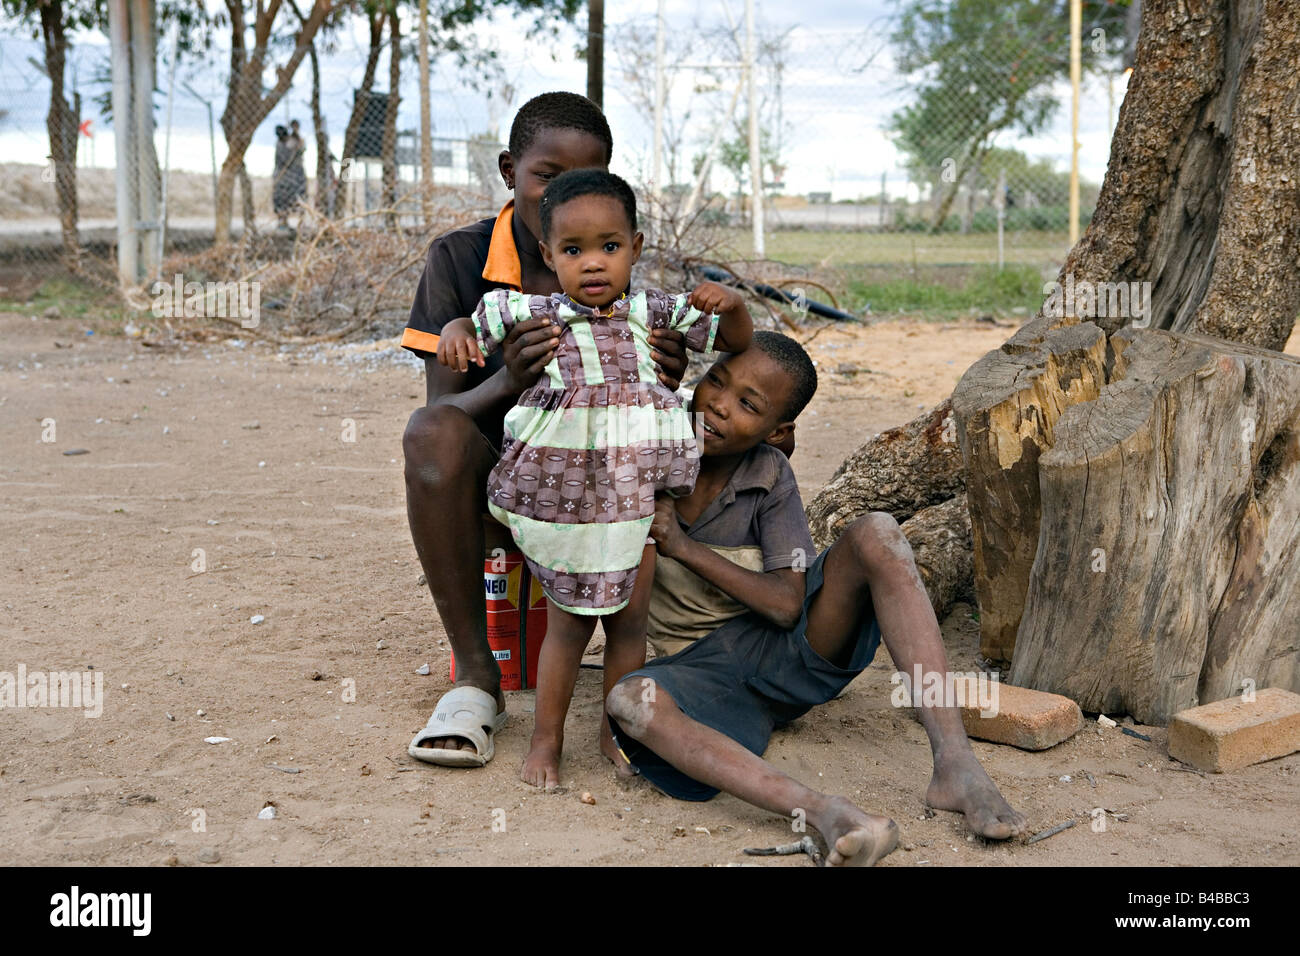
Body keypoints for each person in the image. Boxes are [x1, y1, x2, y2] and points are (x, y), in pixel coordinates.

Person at [604, 333, 1027, 865]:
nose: (718, 403)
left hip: (786, 653)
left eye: (748, 405)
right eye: (717, 380)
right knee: (628, 701)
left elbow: (786, 604)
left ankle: (956, 763)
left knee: (878, 532)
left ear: (776, 431)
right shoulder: (650, 450)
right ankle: (825, 812)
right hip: (700, 679)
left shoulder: (768, 474)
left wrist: (684, 548)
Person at [435, 170, 752, 787]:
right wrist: (456, 331)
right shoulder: (538, 312)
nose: (594, 263)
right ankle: (545, 742)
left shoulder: (654, 311)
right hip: (568, 506)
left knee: (629, 626)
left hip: (637, 502)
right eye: (574, 251)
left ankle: (615, 729)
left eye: (610, 246)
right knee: (570, 627)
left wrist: (732, 306)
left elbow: (732, 339)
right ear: (549, 256)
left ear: (635, 246)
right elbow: (475, 324)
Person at [402, 92, 690, 768]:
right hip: (502, 478)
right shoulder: (461, 260)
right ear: (509, 170)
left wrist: (661, 379)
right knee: (426, 435)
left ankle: (682, 663)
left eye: (588, 177)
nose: (565, 193)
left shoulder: (605, 262)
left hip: (601, 484)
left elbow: (649, 383)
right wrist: (507, 379)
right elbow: (443, 414)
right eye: (545, 175)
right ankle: (478, 679)